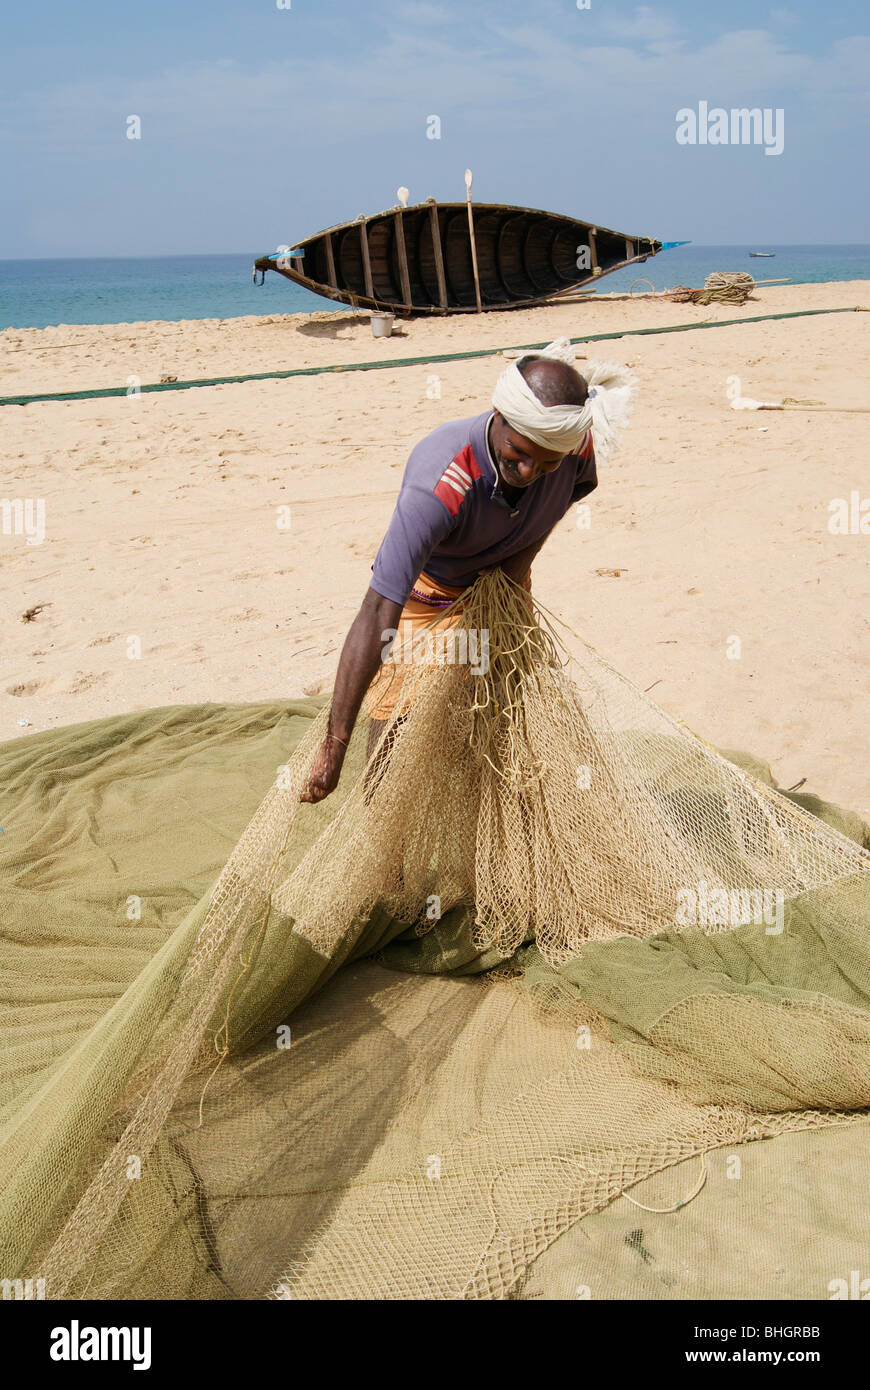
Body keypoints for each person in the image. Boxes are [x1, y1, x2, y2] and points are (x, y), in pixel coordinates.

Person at [300, 340, 600, 804]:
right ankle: (379, 812)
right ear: (499, 416)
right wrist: (334, 745)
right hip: (430, 600)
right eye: (519, 452)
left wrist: (514, 567)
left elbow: (572, 492)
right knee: (396, 715)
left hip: (504, 587)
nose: (528, 471)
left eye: (546, 463)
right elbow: (378, 608)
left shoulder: (573, 447)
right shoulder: (441, 482)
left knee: (495, 704)